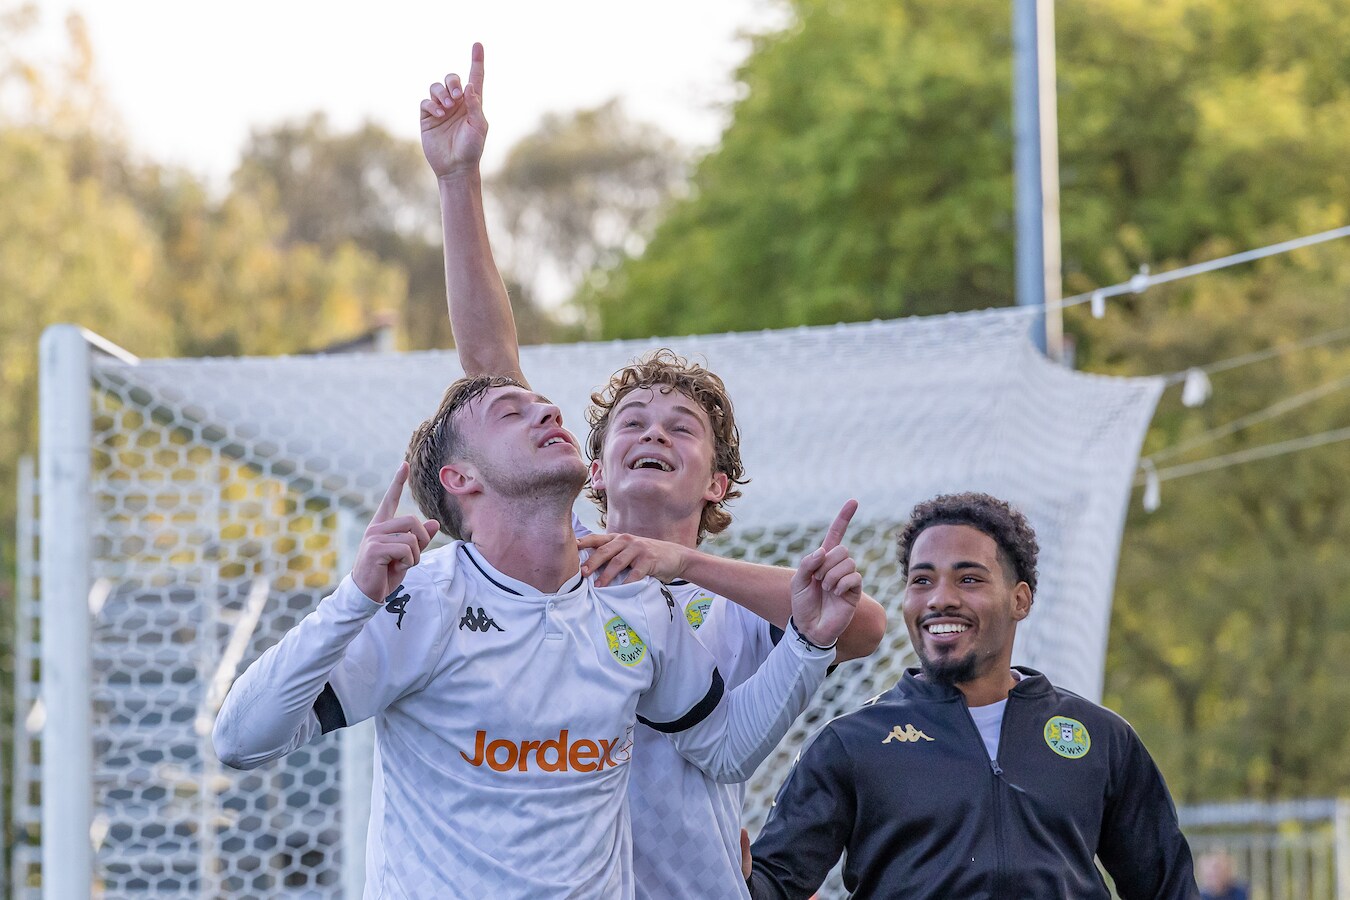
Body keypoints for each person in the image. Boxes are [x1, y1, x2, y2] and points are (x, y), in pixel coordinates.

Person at [420, 44, 887, 899]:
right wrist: (459, 179)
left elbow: (863, 629)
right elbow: (490, 367)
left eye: (683, 427)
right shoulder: (558, 560)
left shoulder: (736, 603)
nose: (654, 432)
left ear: (717, 483)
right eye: (631, 423)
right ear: (593, 471)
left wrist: (686, 565)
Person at [212, 375, 865, 899]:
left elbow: (724, 751)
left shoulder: (637, 603)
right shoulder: (420, 598)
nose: (546, 412)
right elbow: (241, 741)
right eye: (510, 413)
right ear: (461, 479)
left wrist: (808, 644)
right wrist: (351, 600)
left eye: (546, 407)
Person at [746, 492, 1201, 899]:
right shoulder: (850, 743)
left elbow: (1168, 889)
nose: (939, 599)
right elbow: (771, 886)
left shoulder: (1102, 738)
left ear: (1020, 600)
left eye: (969, 579)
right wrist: (727, 863)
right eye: (921, 580)